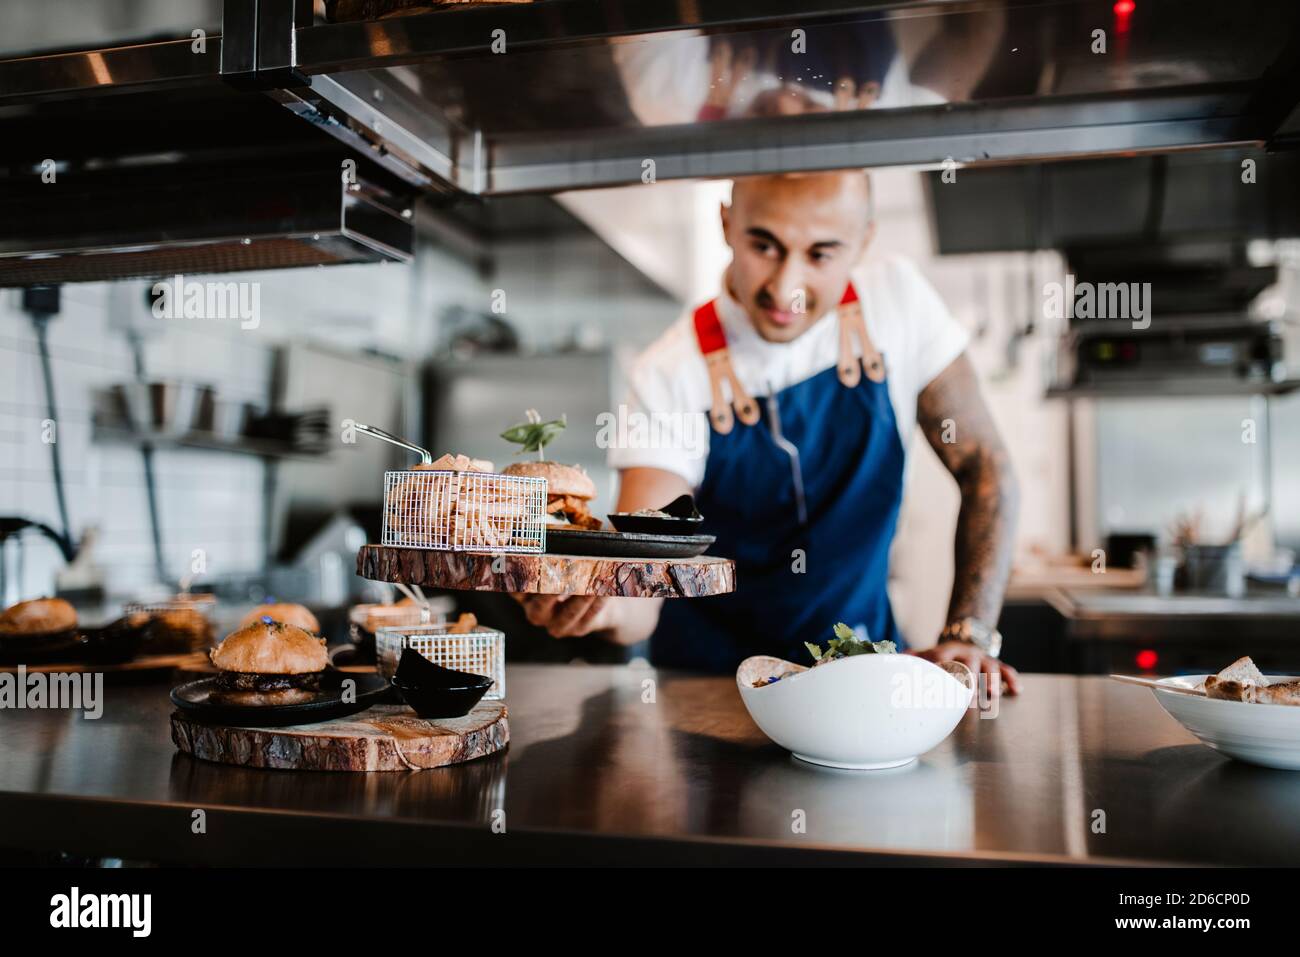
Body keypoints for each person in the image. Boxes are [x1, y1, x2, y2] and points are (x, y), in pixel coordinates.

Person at [517, 169, 1021, 694]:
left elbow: (986, 466)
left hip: (864, 679)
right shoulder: (669, 372)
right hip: (709, 697)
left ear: (864, 241)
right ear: (726, 223)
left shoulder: (898, 304)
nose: (786, 289)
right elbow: (646, 580)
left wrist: (970, 631)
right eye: (764, 245)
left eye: (821, 254)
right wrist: (594, 604)